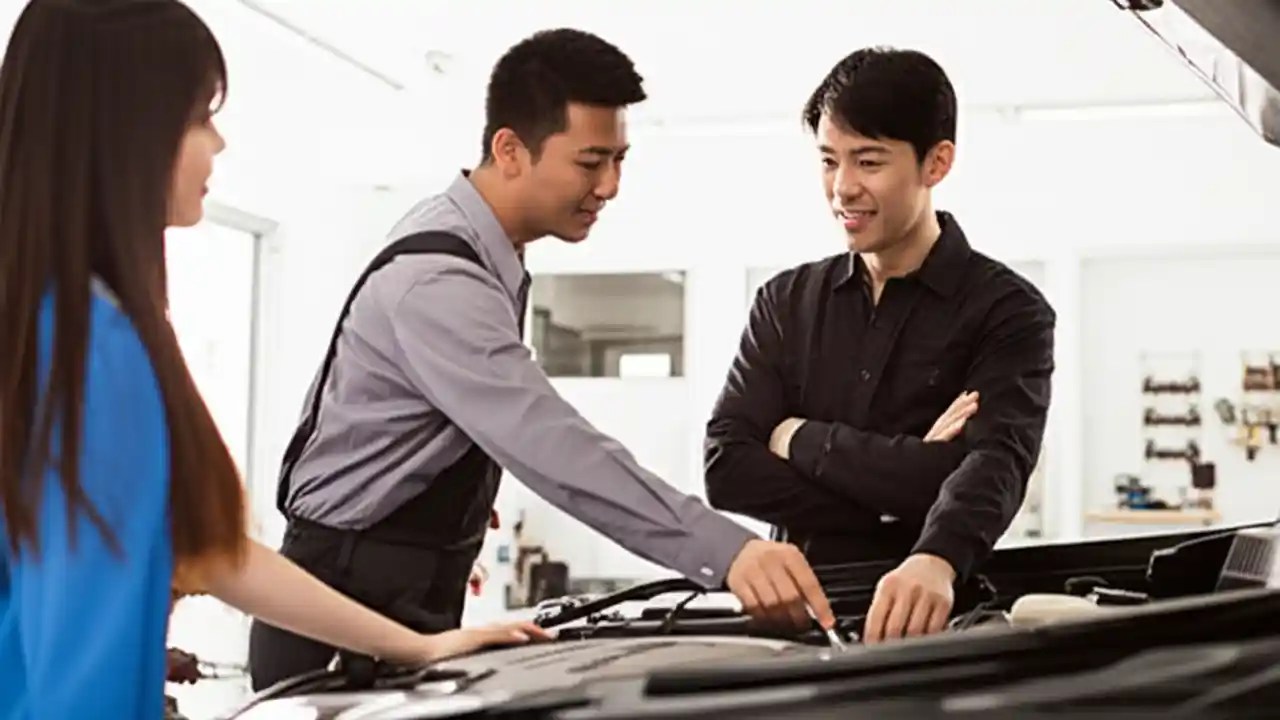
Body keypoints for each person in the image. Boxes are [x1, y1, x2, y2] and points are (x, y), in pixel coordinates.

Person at [0, 2, 546, 718]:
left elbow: (214, 553)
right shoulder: (90, 349)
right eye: (200, 115)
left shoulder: (60, 325)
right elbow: (80, 675)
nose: (218, 144)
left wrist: (417, 646)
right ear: (127, 129)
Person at [249, 27, 835, 689]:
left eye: (620, 159)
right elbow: (556, 448)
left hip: (397, 592)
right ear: (510, 149)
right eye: (590, 161)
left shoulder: (476, 248)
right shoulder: (441, 280)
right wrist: (729, 552)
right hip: (337, 617)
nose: (610, 185)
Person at [704, 47, 1055, 644]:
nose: (843, 188)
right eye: (828, 161)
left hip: (932, 625)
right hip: (795, 627)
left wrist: (800, 438)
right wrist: (909, 488)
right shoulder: (784, 302)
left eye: (868, 161)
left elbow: (995, 462)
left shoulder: (1008, 311)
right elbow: (727, 468)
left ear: (936, 162)